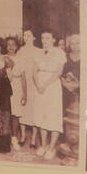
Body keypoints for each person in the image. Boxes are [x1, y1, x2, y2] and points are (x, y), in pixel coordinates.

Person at [30, 30, 67, 160]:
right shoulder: (38, 53)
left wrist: (44, 85)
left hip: (52, 86)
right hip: (38, 86)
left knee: (53, 115)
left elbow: (58, 72)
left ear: (53, 40)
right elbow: (34, 71)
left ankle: (52, 148)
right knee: (41, 114)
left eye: (47, 38)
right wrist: (38, 84)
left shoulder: (59, 53)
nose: (45, 41)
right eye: (43, 38)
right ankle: (43, 145)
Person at [57, 33, 83, 161]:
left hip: (82, 92)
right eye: (72, 43)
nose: (75, 45)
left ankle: (84, 145)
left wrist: (78, 85)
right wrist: (67, 84)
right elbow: (61, 74)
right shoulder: (65, 57)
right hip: (67, 91)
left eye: (78, 42)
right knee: (65, 117)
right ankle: (66, 143)